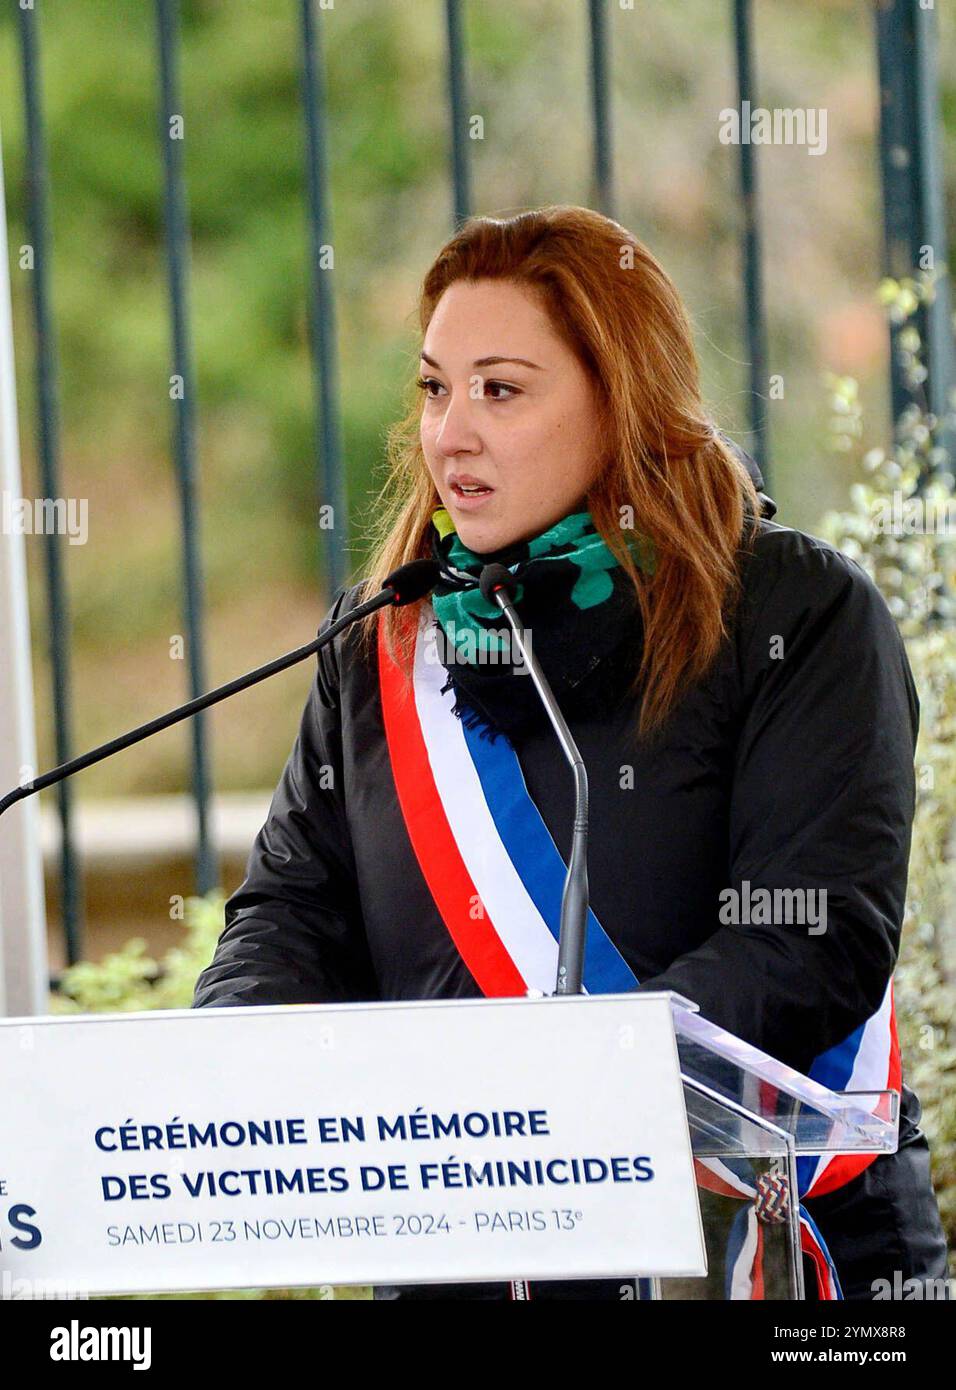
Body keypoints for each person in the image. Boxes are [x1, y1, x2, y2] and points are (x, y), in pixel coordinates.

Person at [193, 204, 950, 1300]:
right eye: (432, 387)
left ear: (621, 398)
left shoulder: (792, 612)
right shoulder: (382, 644)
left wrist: (551, 1101)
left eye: (499, 389)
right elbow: (290, 915)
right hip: (463, 1260)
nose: (449, 431)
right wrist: (232, 1061)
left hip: (761, 1252)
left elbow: (813, 935)